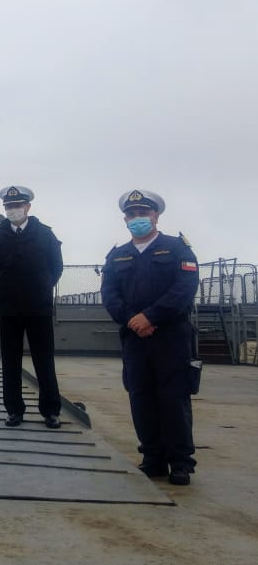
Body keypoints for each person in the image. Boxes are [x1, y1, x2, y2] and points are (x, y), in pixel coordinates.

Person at [100, 189, 199, 486]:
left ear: (156, 215)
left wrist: (151, 317)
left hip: (171, 336)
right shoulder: (118, 255)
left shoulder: (177, 249)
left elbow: (185, 288)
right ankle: (153, 459)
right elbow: (109, 294)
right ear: (125, 219)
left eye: (143, 213)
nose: (137, 218)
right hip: (134, 338)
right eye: (132, 215)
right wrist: (133, 320)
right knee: (141, 397)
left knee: (173, 398)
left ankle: (180, 462)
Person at [0, 186, 65, 429]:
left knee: (44, 359)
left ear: (27, 207)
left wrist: (41, 287)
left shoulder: (45, 234)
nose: (13, 210)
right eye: (9, 206)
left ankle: (50, 410)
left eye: (17, 205)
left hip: (38, 307)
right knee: (10, 361)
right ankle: (14, 410)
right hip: (9, 307)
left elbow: (56, 267)